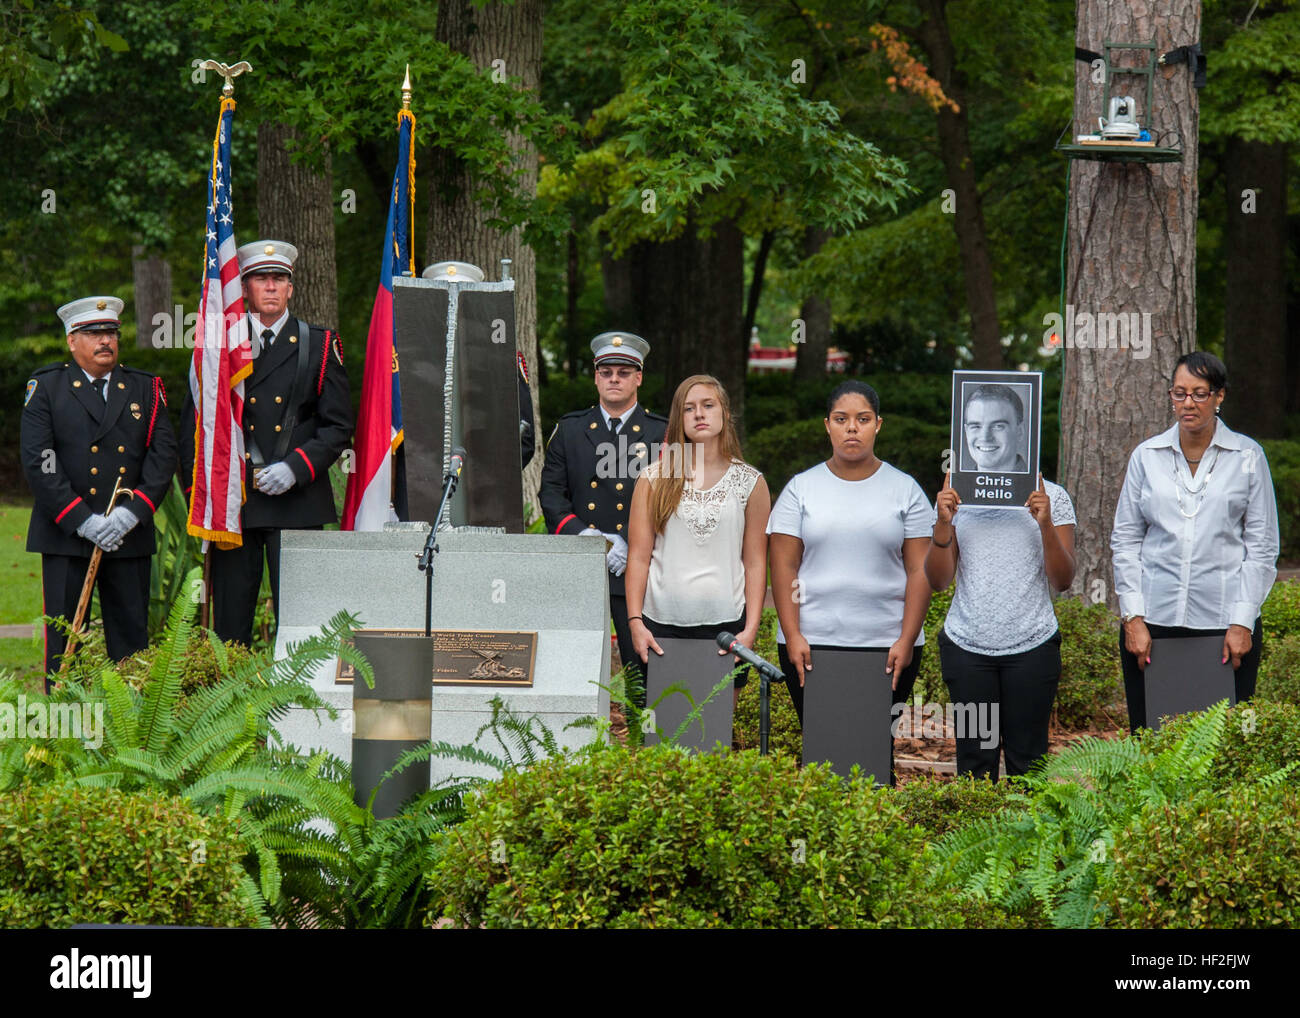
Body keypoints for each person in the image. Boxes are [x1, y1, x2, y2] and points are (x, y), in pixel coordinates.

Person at [180, 240, 353, 646]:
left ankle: (296, 706)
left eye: (280, 279)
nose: (271, 286)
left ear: (291, 288)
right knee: (230, 625)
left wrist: (296, 467)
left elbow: (337, 426)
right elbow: (198, 427)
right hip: (234, 503)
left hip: (298, 500)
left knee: (301, 622)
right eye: (261, 279)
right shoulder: (220, 348)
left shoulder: (320, 344)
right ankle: (233, 707)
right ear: (244, 288)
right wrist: (204, 497)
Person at [767, 381, 932, 772]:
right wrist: (793, 635)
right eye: (842, 419)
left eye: (863, 419)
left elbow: (918, 571)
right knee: (824, 755)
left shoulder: (905, 490)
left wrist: (906, 639)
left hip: (887, 647)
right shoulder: (801, 489)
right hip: (811, 645)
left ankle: (877, 829)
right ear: (828, 426)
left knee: (875, 754)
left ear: (878, 425)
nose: (852, 428)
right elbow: (784, 568)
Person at [1111, 352, 1280, 732]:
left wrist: (1242, 621)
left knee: (1220, 745)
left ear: (1219, 397)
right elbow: (1125, 540)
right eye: (1180, 393)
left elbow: (1263, 546)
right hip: (1153, 623)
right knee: (1151, 739)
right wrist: (1133, 617)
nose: (1188, 403)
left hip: (1223, 624)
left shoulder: (1248, 457)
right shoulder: (1146, 456)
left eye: (1200, 393)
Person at [21, 296, 177, 687]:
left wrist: (132, 513)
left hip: (128, 533)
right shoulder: (47, 387)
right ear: (72, 341)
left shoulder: (144, 387)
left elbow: (163, 457)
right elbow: (42, 461)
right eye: (92, 333)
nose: (104, 340)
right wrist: (82, 519)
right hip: (66, 534)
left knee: (131, 641)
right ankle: (66, 727)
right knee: (65, 643)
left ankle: (135, 729)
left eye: (110, 332)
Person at [925, 456, 1076, 780]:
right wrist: (943, 522)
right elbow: (939, 581)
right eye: (977, 426)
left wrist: (1045, 523)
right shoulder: (958, 494)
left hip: (1032, 647)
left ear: (1021, 430)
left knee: (1029, 765)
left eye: (1000, 424)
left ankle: (1031, 833)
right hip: (967, 649)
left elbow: (1062, 580)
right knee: (975, 765)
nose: (989, 436)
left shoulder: (1050, 496)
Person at [624, 374, 771, 706]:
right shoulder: (654, 478)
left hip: (726, 626)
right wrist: (635, 621)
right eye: (689, 408)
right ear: (679, 419)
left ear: (725, 413)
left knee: (717, 737)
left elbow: (755, 561)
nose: (699, 414)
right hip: (661, 624)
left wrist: (751, 628)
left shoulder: (750, 482)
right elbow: (638, 557)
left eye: (708, 405)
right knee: (666, 736)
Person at [540, 332, 668, 676]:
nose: (614, 379)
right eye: (606, 371)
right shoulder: (570, 429)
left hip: (636, 568)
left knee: (643, 670)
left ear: (638, 377)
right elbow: (551, 493)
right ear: (596, 376)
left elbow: (671, 500)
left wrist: (630, 540)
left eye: (623, 372)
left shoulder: (662, 434)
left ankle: (645, 732)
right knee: (573, 668)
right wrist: (589, 538)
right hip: (582, 565)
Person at [962, 383, 1029, 473]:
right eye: (976, 426)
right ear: (966, 432)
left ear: (1020, 431)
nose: (985, 437)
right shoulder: (952, 487)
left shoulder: (1046, 487)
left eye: (998, 426)